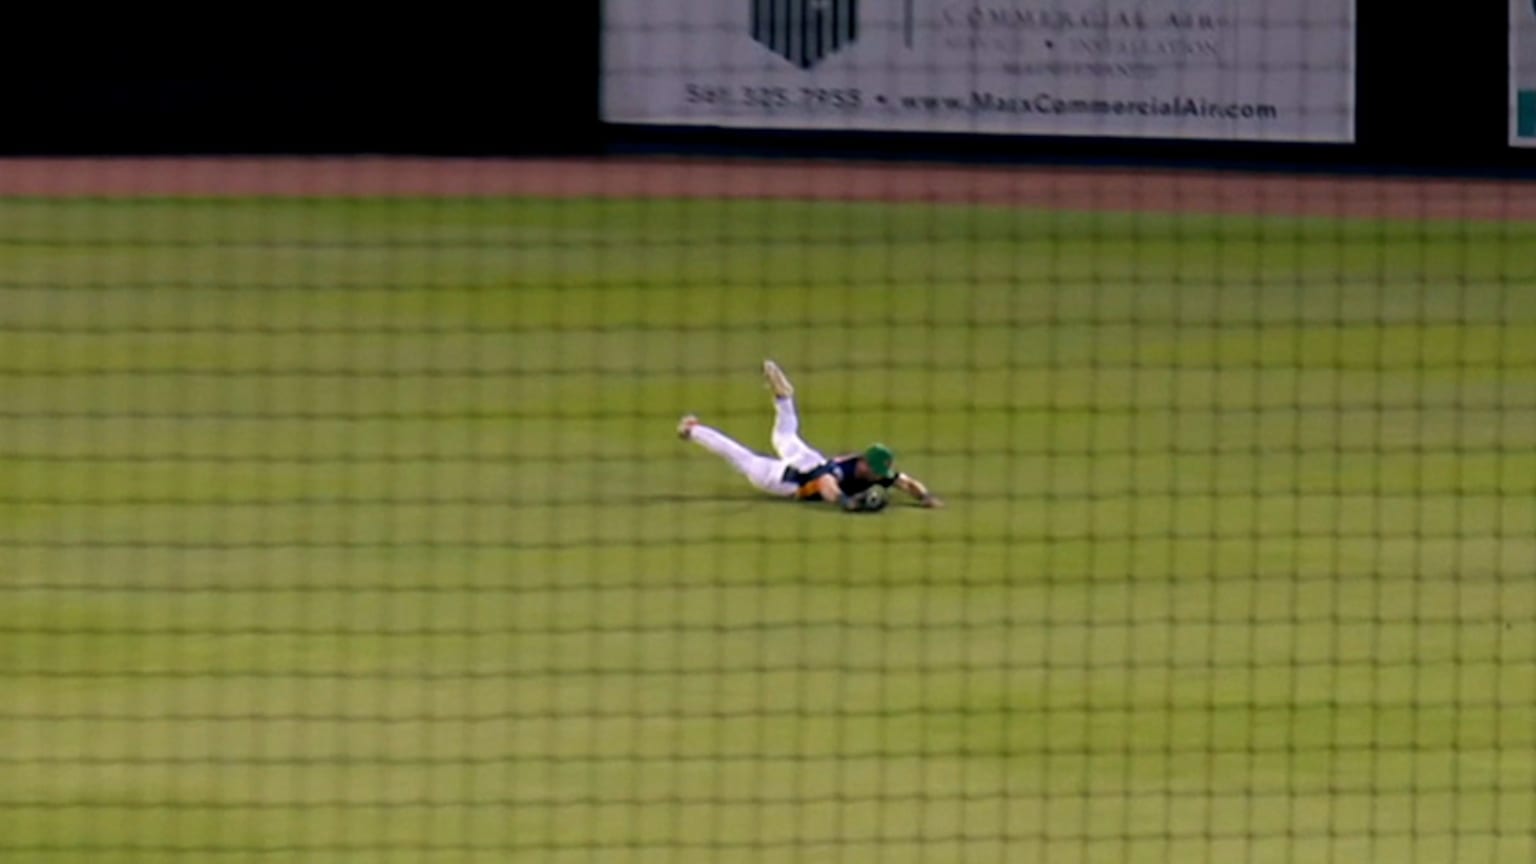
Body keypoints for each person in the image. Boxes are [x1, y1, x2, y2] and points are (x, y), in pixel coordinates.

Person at [677, 360, 945, 511]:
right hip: (782, 480)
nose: (878, 476)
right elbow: (826, 486)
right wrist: (847, 502)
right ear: (864, 463)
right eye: (875, 470)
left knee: (785, 435)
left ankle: (784, 399)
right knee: (742, 458)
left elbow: (905, 482)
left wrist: (925, 498)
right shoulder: (842, 472)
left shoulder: (874, 471)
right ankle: (693, 429)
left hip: (806, 459)